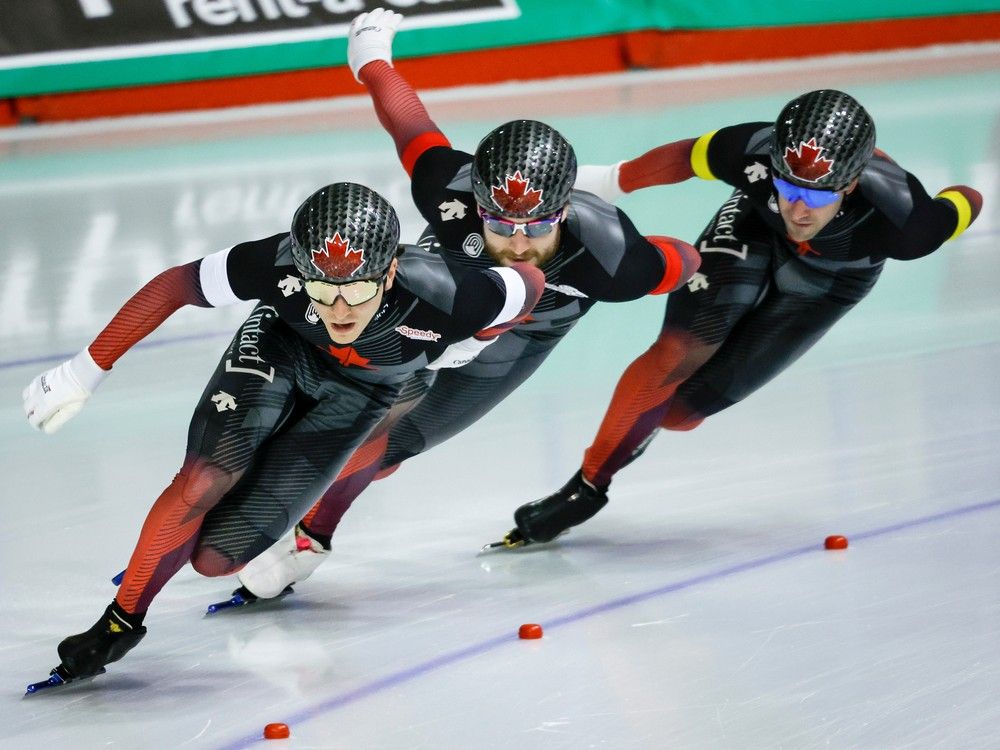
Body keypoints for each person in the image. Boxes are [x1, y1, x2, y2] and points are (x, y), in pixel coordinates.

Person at [229, 8, 702, 598]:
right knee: (355, 412)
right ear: (474, 201)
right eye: (499, 222)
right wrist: (371, 54)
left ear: (564, 214)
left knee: (392, 445)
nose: (517, 244)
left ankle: (311, 537)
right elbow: (408, 122)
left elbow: (682, 259)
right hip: (443, 299)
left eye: (536, 227)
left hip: (524, 334)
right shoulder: (448, 187)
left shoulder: (613, 260)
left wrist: (641, 215)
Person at [21, 181, 545, 689]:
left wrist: (473, 343)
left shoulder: (453, 292)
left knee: (216, 559)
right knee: (206, 478)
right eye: (322, 290)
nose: (339, 310)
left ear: (389, 273)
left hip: (362, 393)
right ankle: (119, 622)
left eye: (356, 290)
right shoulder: (276, 265)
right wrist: (81, 372)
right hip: (281, 350)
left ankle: (184, 539)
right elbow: (175, 284)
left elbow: (531, 285)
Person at [497, 88, 984, 547]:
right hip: (751, 229)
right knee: (678, 352)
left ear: (852, 184)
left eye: (816, 196)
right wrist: (613, 180)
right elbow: (686, 156)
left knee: (680, 414)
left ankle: (637, 435)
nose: (797, 207)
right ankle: (586, 487)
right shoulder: (751, 148)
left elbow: (964, 202)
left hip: (830, 281)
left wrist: (963, 198)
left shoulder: (908, 222)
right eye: (787, 186)